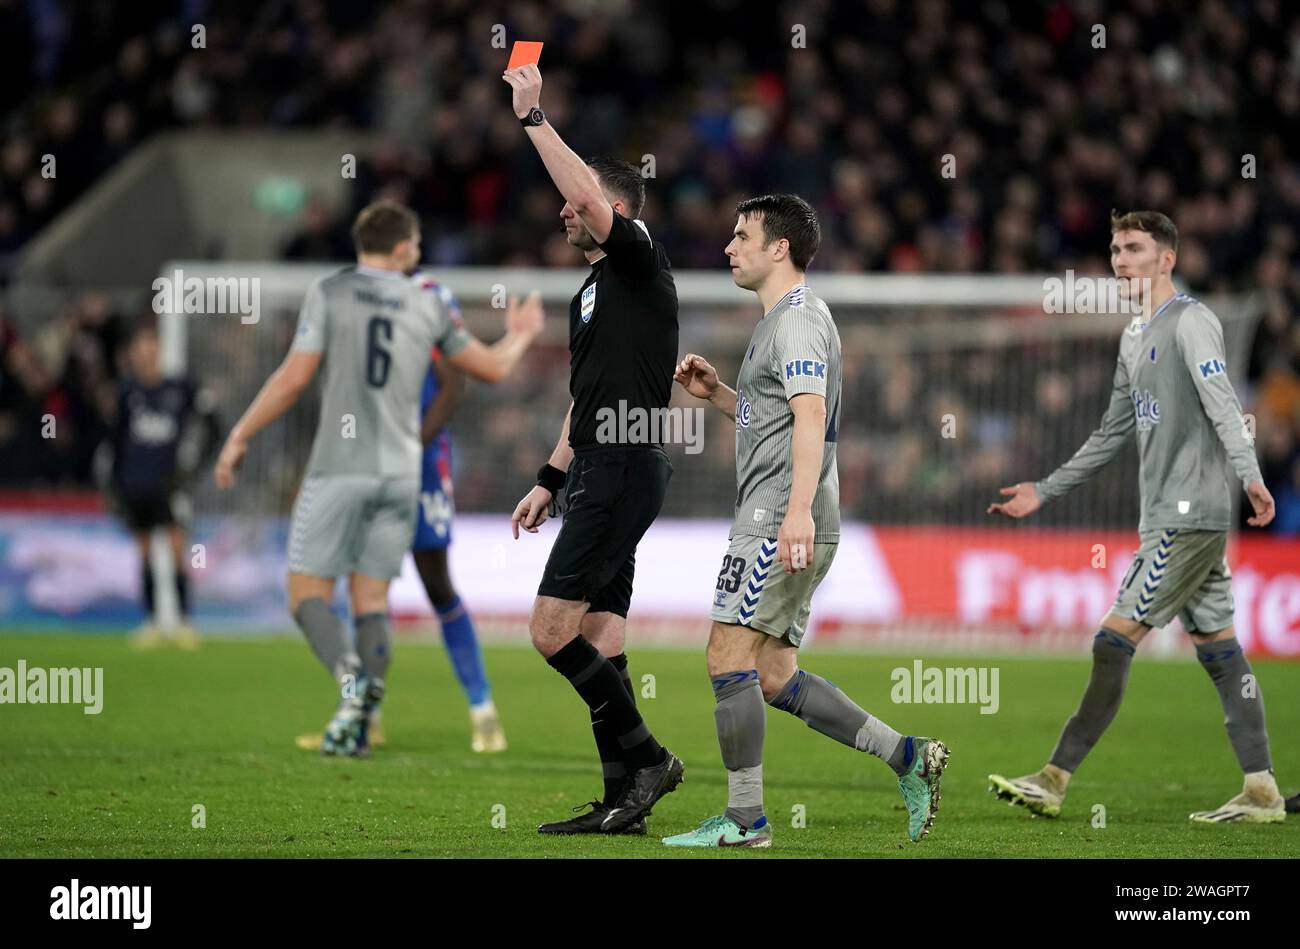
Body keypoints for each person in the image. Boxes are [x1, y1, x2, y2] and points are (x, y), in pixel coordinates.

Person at [665, 194, 949, 848]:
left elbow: (812, 417)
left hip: (778, 515)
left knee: (725, 655)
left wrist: (793, 511)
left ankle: (745, 821)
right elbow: (779, 418)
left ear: (779, 248)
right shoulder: (783, 322)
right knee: (774, 673)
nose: (730, 247)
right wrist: (719, 398)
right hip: (792, 511)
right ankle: (909, 756)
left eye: (742, 236)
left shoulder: (794, 319)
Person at [988, 209, 1285, 823]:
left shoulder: (1193, 322)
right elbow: (1111, 432)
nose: (1120, 260)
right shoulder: (1132, 335)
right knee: (1221, 651)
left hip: (1187, 517)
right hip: (1169, 519)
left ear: (1166, 260)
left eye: (1133, 248)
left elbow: (1224, 403)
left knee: (1111, 640)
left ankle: (1054, 776)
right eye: (1115, 249)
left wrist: (1251, 476)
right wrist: (1045, 490)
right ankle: (1261, 790)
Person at [215, 200, 542, 756]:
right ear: (398, 248)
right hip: (401, 473)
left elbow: (294, 379)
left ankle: (353, 686)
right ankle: (363, 721)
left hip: (340, 468)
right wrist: (521, 335)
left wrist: (240, 433)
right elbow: (489, 368)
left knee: (306, 595)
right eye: (414, 244)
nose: (419, 253)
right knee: (371, 599)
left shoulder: (332, 292)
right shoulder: (427, 302)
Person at [502, 61, 683, 834]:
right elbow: (585, 400)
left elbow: (581, 193)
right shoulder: (592, 292)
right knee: (603, 638)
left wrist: (534, 117)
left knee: (551, 631)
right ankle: (622, 800)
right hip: (604, 463)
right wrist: (550, 474)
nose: (563, 218)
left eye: (575, 208)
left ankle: (650, 759)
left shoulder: (637, 256)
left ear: (609, 207)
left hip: (624, 465)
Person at [100, 322, 219, 649]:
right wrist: (114, 482)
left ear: (160, 350)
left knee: (179, 549)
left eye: (152, 345)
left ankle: (182, 622)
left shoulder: (181, 388)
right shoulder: (127, 392)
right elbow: (115, 440)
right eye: (141, 346)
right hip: (135, 484)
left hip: (171, 485)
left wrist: (192, 469)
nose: (147, 352)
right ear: (134, 353)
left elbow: (212, 424)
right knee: (144, 553)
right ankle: (152, 622)